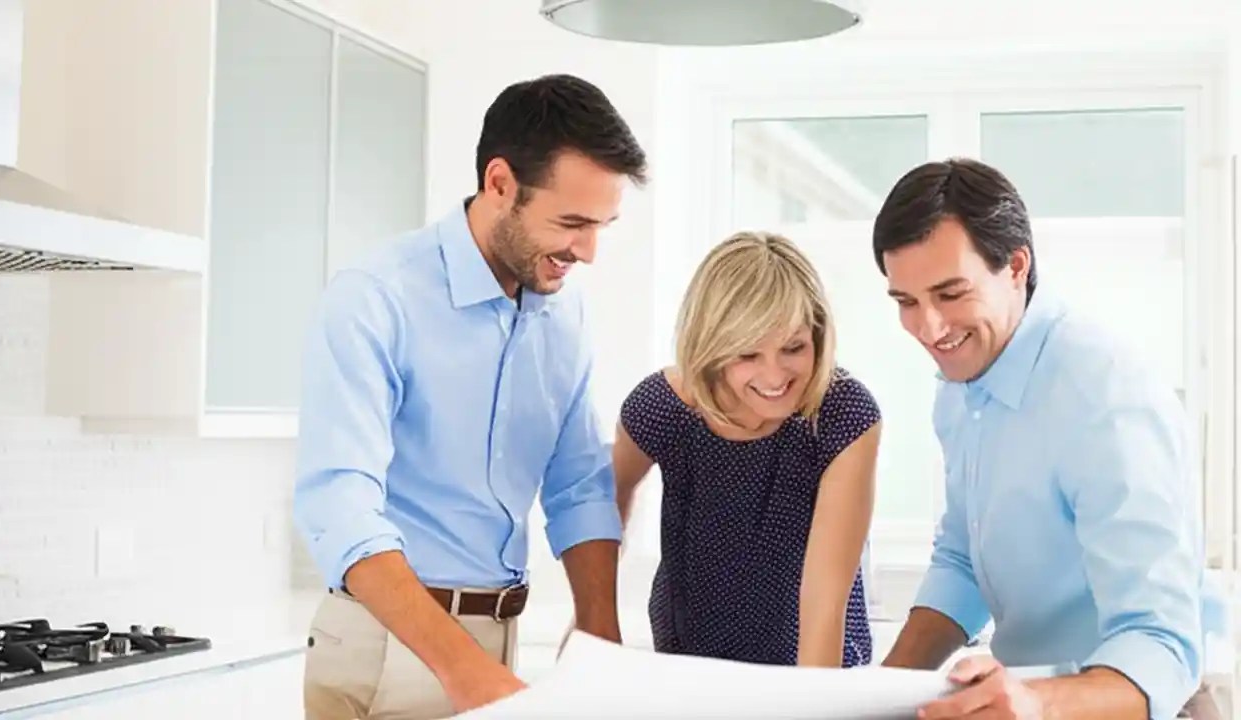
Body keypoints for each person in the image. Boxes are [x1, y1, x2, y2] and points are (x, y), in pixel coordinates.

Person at [293, 73, 647, 720]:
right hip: (387, 646)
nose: (588, 251)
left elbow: (577, 486)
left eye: (602, 225)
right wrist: (463, 670)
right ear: (499, 183)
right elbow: (339, 507)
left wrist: (597, 631)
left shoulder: (562, 315)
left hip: (495, 639)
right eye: (571, 223)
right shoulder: (376, 296)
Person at [873, 158, 1218, 720]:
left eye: (950, 293)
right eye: (906, 303)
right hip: (1031, 699)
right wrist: (876, 694)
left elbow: (1163, 646)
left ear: (1015, 266)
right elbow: (964, 557)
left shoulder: (1105, 396)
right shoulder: (962, 387)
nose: (929, 329)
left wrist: (1036, 704)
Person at [612, 231, 882, 668]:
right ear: (711, 349)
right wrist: (592, 624)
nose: (774, 375)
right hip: (691, 655)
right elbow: (604, 504)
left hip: (815, 658)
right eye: (747, 355)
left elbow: (824, 600)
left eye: (793, 347)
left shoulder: (844, 414)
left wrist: (820, 705)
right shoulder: (663, 407)